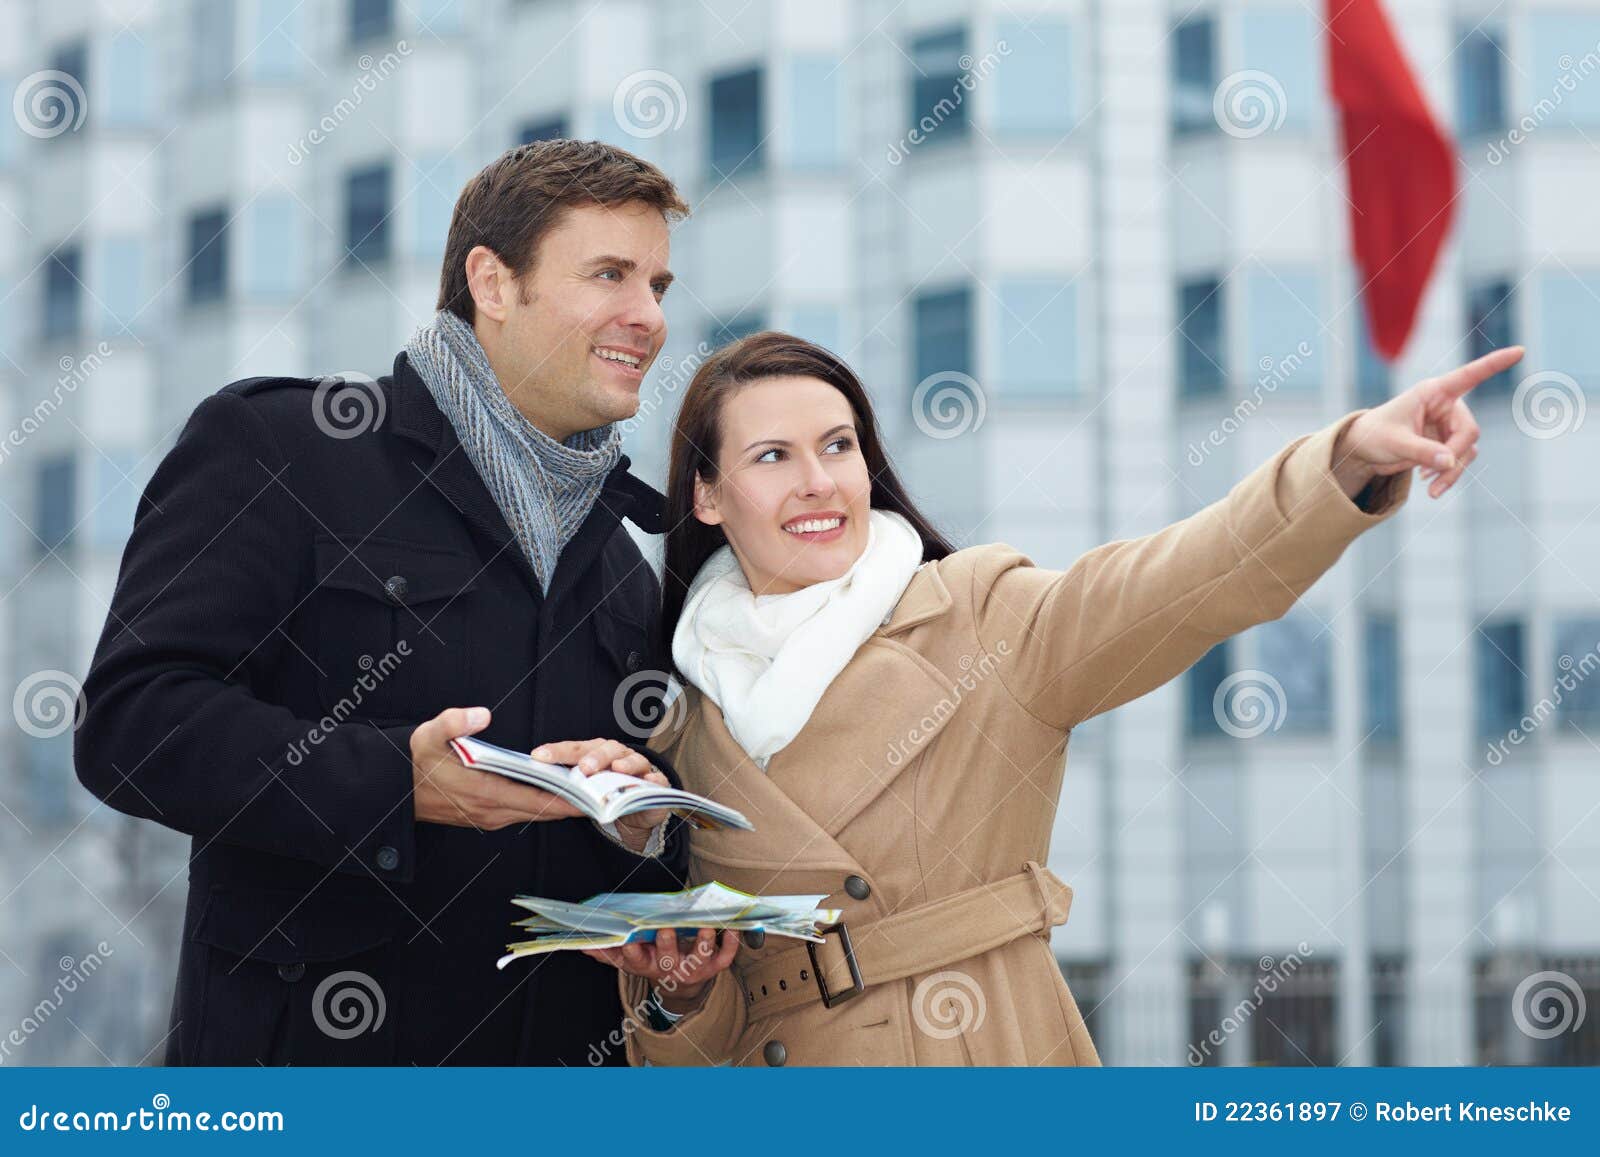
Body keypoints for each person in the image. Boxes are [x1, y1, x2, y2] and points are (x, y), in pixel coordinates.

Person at [582, 330, 1525, 1066]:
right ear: (706, 495)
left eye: (839, 445)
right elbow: (690, 1053)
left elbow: (1184, 580)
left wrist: (1344, 461)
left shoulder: (982, 617)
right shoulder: (680, 722)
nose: (820, 481)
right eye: (773, 457)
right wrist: (679, 994)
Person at [74, 139, 689, 1065]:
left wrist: (636, 834)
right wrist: (395, 781)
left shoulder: (621, 564)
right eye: (610, 274)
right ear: (492, 280)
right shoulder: (283, 447)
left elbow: (580, 875)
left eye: (659, 286)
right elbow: (131, 725)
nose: (647, 316)